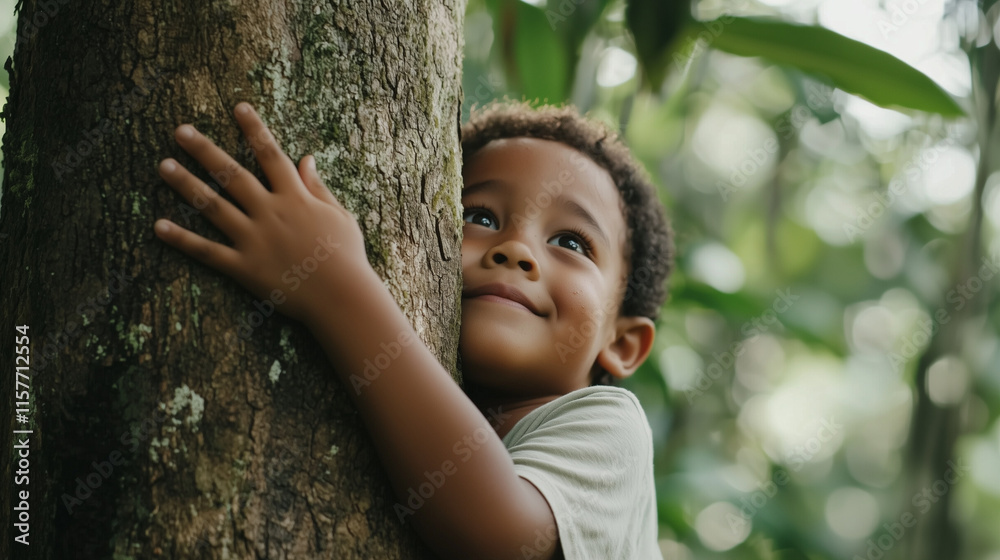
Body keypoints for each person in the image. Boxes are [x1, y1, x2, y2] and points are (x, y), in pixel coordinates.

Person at [153, 100, 673, 560]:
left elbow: (501, 532)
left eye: (572, 242)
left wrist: (335, 287)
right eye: (481, 217)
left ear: (623, 343)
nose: (516, 249)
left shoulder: (610, 428)